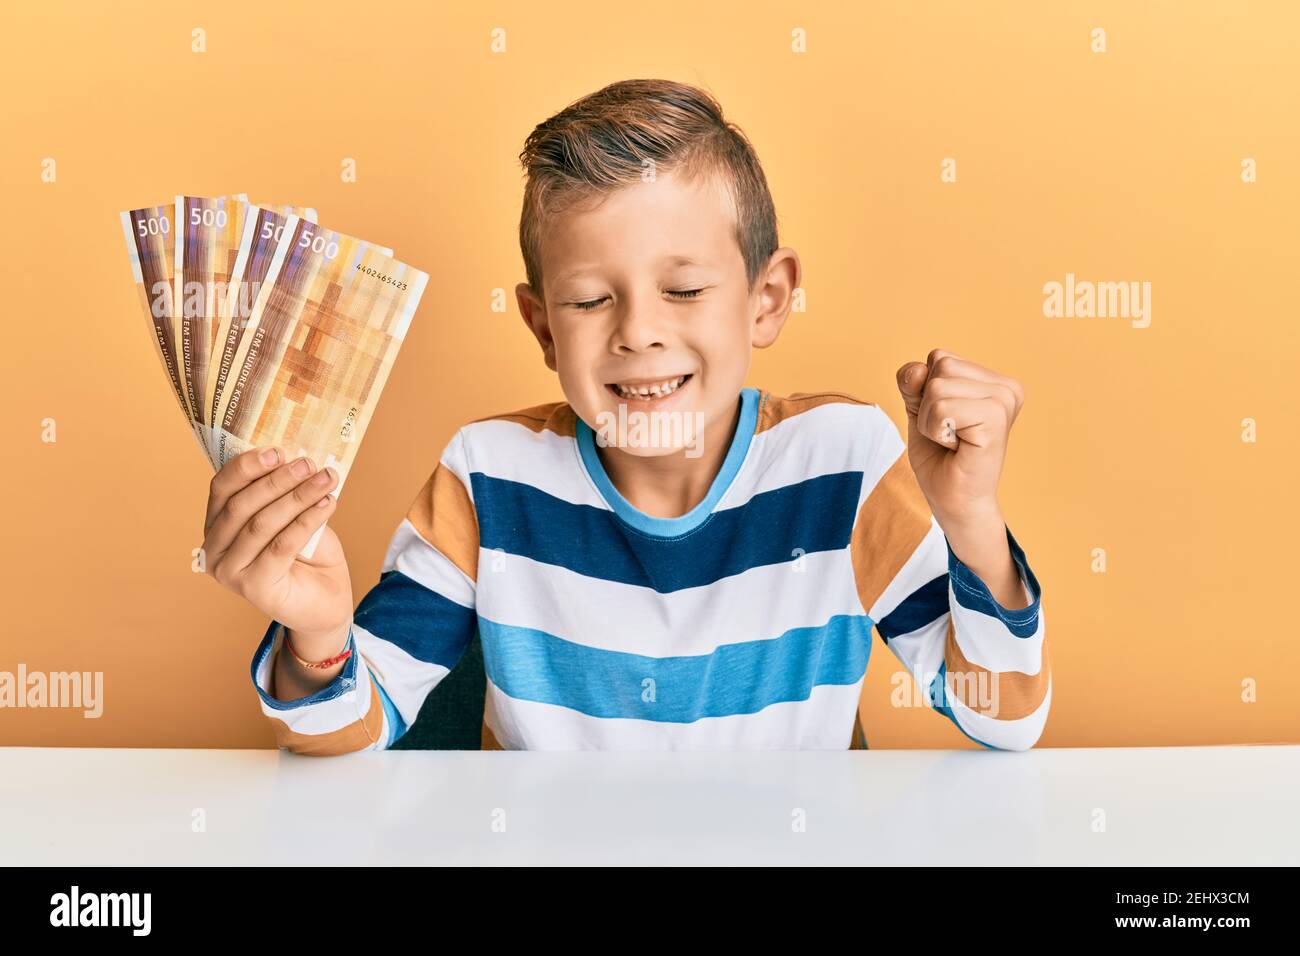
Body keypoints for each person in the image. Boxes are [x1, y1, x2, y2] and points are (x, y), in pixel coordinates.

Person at [200, 79, 1049, 754]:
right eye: (590, 299)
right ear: (543, 328)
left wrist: (970, 517)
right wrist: (316, 634)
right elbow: (356, 728)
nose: (639, 331)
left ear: (767, 298)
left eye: (684, 290)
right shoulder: (488, 478)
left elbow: (1004, 718)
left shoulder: (842, 465)